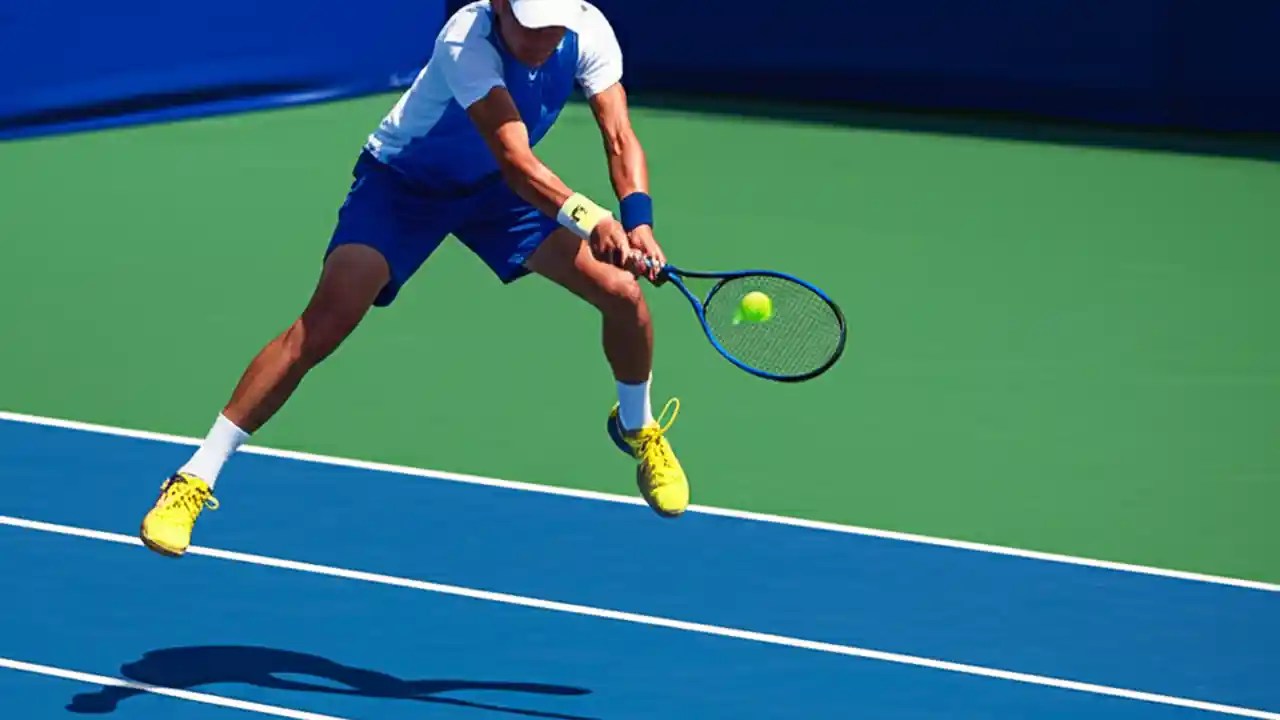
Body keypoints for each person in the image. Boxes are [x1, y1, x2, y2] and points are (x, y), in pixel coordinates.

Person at [138, 0, 690, 559]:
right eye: (530, 26)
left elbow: (618, 135)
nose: (543, 39)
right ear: (501, 7)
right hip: (405, 186)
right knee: (324, 324)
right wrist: (592, 219)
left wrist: (638, 221)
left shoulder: (586, 28)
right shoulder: (466, 39)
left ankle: (636, 428)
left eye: (553, 27)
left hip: (495, 196)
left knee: (623, 295)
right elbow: (516, 160)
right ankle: (195, 476)